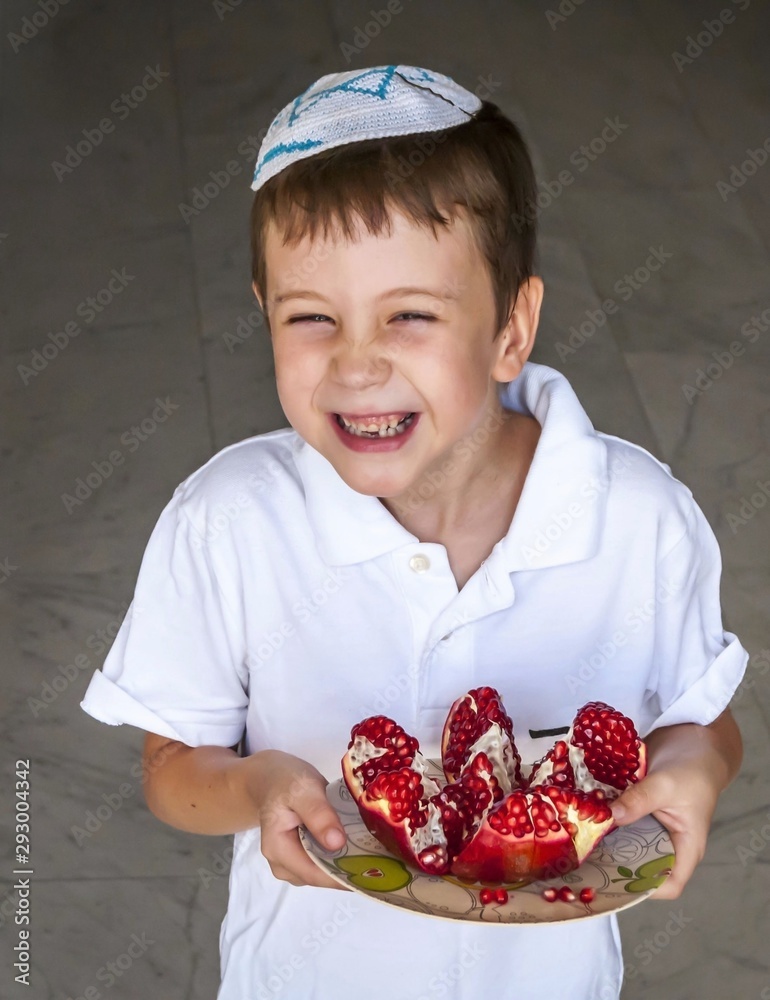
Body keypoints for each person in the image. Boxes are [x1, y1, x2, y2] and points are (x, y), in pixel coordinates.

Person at [80, 65, 746, 1000]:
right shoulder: (227, 521)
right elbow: (169, 770)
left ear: (511, 328)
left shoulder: (639, 520)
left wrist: (690, 776)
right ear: (262, 314)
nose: (357, 365)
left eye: (411, 316)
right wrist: (257, 784)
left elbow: (700, 723)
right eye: (312, 318)